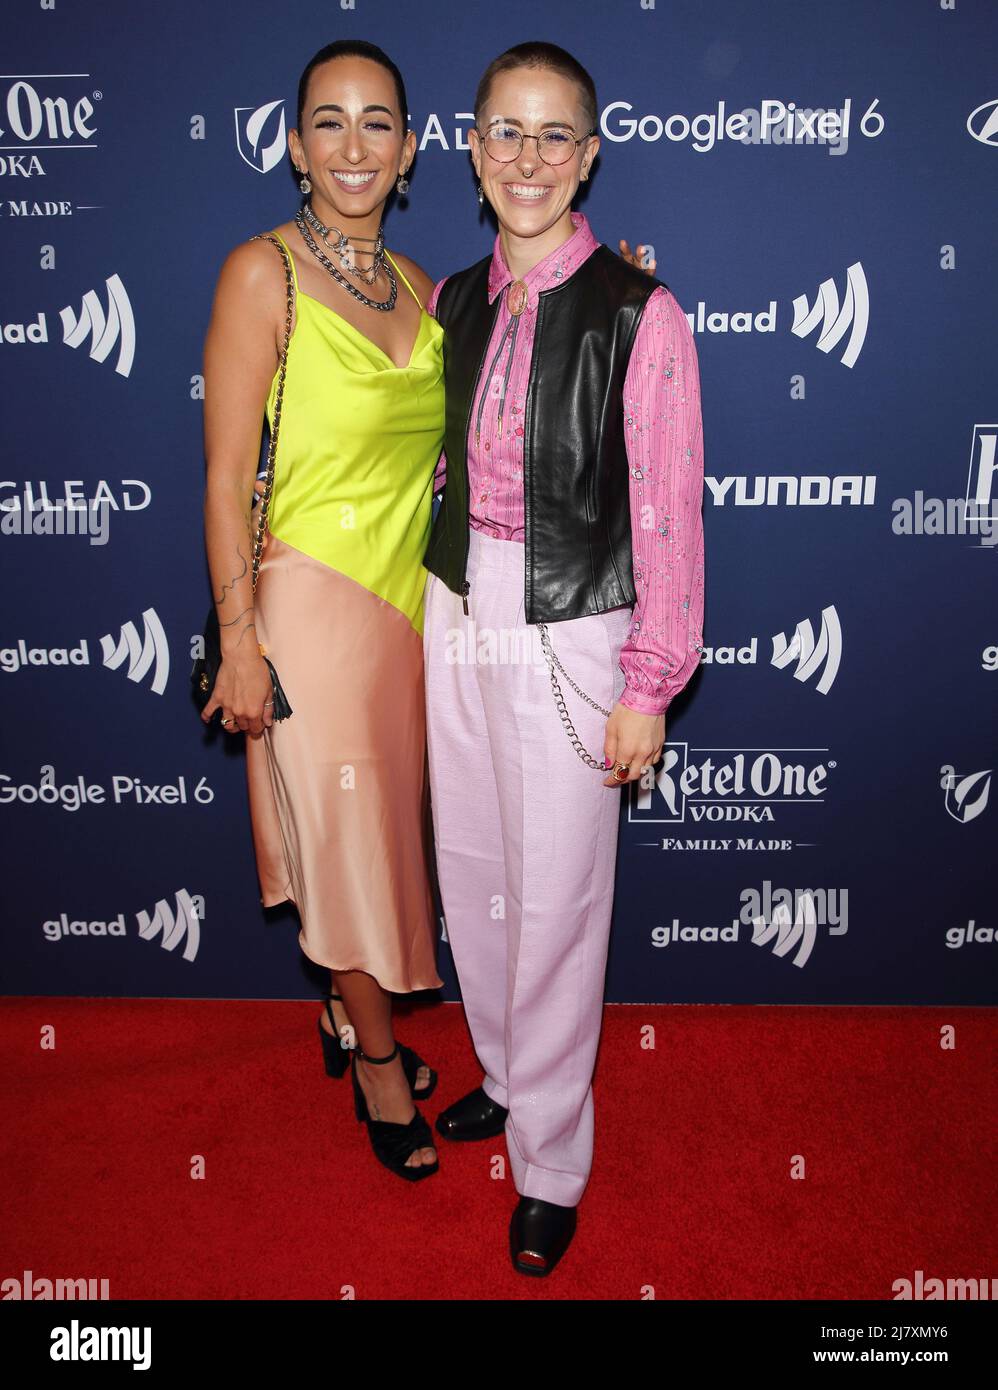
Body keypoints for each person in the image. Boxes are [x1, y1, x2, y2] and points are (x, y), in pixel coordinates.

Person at [422, 42, 706, 1271]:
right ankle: (499, 1067)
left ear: (587, 156)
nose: (527, 158)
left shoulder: (640, 311)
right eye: (505, 133)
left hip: (574, 619)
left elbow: (665, 507)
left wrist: (650, 680)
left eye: (554, 136)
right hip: (457, 601)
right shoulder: (453, 297)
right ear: (474, 152)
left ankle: (549, 1158)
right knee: (476, 864)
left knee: (557, 894)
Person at [201, 40, 445, 1180]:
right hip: (306, 617)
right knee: (347, 857)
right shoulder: (265, 272)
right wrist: (238, 639)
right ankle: (378, 1065)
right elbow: (220, 474)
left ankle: (347, 1015)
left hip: (412, 620)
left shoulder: (423, 290)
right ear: (296, 148)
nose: (355, 145)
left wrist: (615, 286)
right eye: (329, 122)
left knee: (390, 846)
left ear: (407, 152)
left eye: (378, 123)